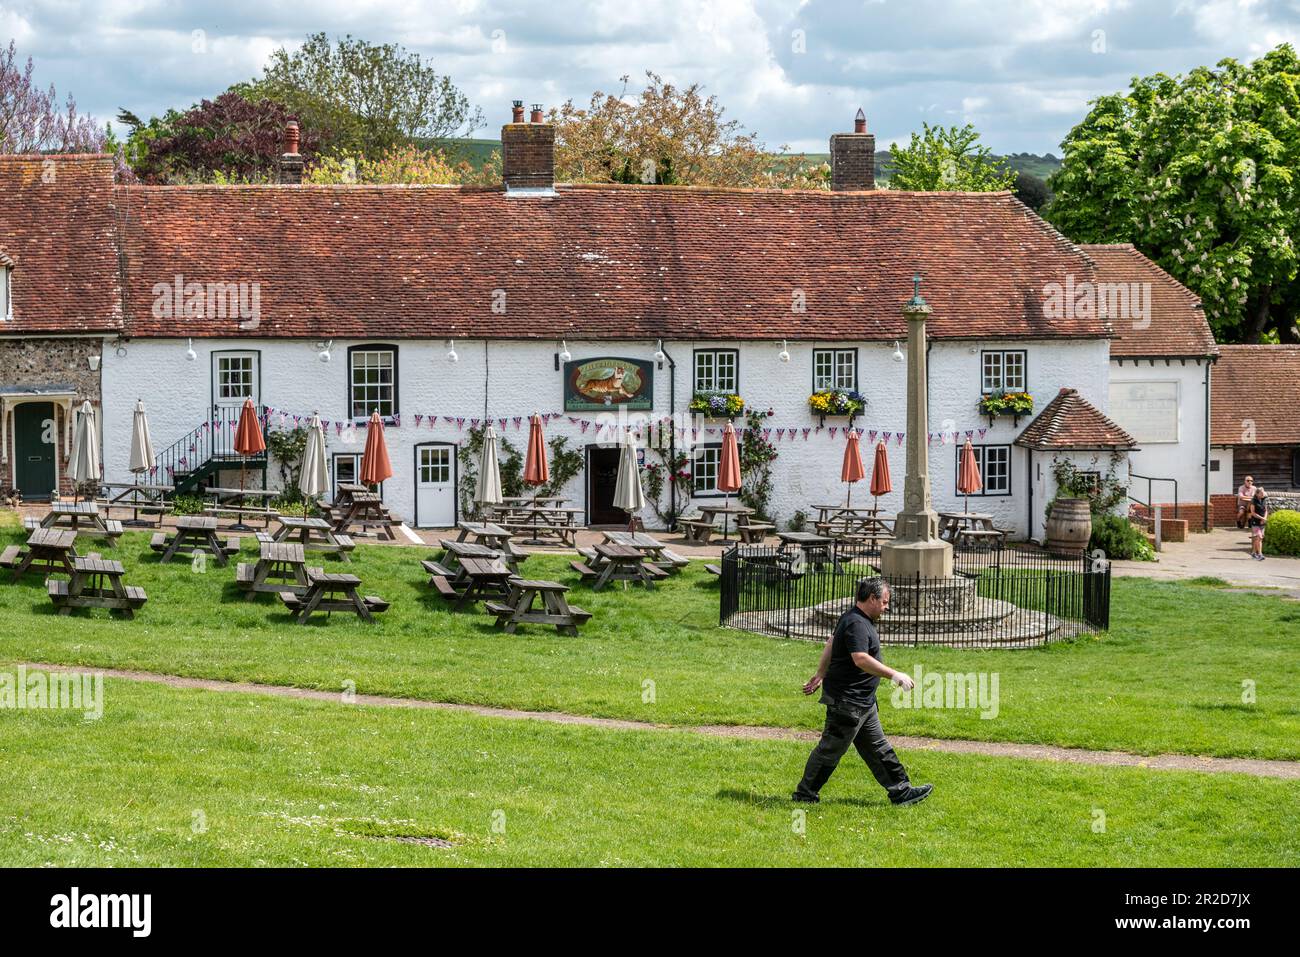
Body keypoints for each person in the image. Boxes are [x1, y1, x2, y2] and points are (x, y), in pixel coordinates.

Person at [793, 577, 933, 807]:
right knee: (830, 750)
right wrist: (894, 675)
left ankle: (902, 792)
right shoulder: (856, 623)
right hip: (848, 702)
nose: (887, 607)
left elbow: (831, 641)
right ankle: (805, 794)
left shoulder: (854, 618)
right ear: (872, 598)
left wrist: (820, 674)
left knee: (878, 748)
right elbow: (860, 659)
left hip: (863, 703)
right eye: (885, 602)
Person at [1247, 486, 1269, 561]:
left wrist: (1265, 518)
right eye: (1261, 493)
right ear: (1257, 494)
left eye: (1263, 492)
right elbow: (1253, 513)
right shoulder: (1253, 501)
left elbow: (1266, 510)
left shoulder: (1264, 499)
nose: (1263, 494)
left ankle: (1253, 553)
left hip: (1262, 521)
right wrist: (1262, 518)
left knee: (1259, 539)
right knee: (1259, 537)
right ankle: (1260, 554)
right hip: (1255, 522)